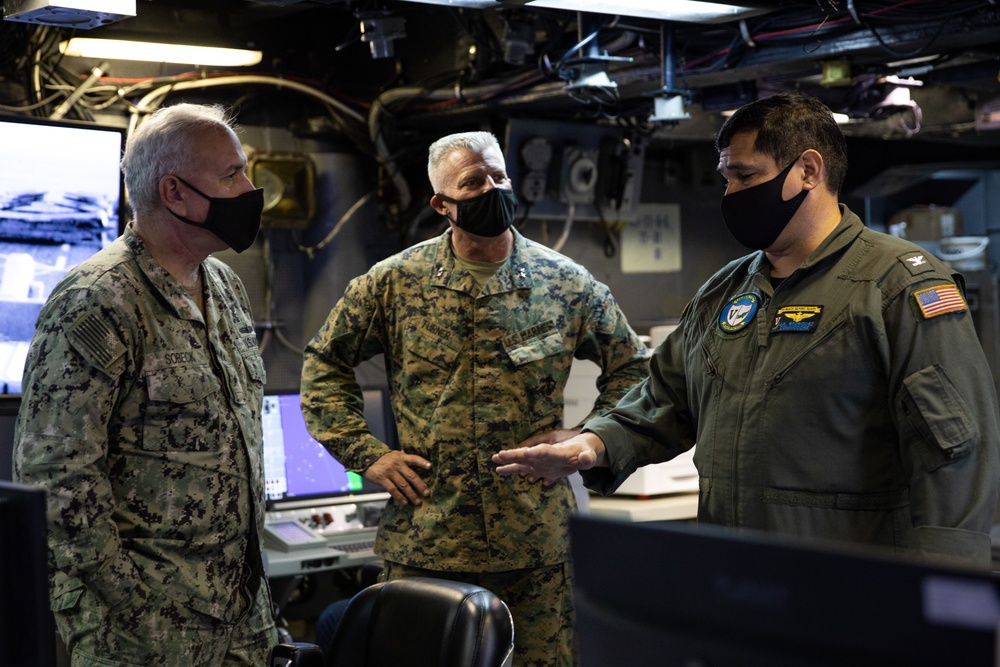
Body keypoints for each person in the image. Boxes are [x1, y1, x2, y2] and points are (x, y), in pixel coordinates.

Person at [494, 91, 1000, 567]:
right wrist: (591, 446)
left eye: (745, 176)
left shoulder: (896, 286)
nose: (731, 193)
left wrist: (945, 595)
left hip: (850, 588)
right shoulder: (725, 292)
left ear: (807, 170)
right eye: (727, 179)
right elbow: (666, 400)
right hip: (736, 577)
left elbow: (954, 450)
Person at [301, 130, 649, 665]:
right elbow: (324, 364)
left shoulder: (565, 283)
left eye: (499, 176)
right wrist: (368, 454)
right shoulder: (394, 283)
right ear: (442, 204)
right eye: (474, 182)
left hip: (533, 546)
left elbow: (635, 373)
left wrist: (585, 435)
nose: (493, 188)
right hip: (428, 542)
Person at [13, 103, 278, 666]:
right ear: (175, 193)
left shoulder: (224, 285)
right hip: (147, 633)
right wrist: (132, 606)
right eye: (232, 175)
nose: (250, 189)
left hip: (241, 622)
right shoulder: (97, 300)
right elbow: (57, 482)